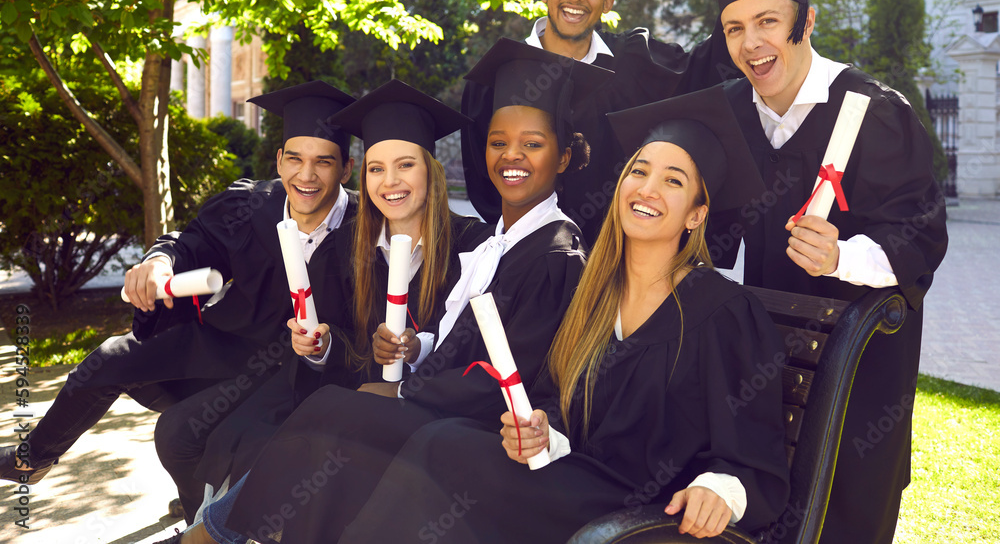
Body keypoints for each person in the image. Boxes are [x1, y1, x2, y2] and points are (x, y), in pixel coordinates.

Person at [334, 86, 791, 543]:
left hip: (643, 515)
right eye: (639, 171)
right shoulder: (593, 295)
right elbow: (558, 404)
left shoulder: (722, 311)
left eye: (673, 181)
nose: (647, 189)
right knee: (445, 442)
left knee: (448, 451)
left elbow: (752, 458)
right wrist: (540, 432)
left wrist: (717, 490)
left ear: (696, 215)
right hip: (575, 482)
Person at [205, 40, 610, 544]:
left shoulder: (554, 253)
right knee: (334, 420)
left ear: (564, 156)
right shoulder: (500, 244)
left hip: (486, 430)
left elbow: (514, 373)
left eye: (532, 144)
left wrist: (407, 388)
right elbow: (462, 341)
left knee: (338, 413)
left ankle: (212, 535)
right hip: (449, 408)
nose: (511, 156)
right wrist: (415, 350)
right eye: (498, 142)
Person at [670, 0, 949, 544]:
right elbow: (714, 238)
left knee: (847, 512)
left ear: (808, 21)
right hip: (766, 359)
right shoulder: (730, 114)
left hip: (861, 371)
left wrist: (843, 256)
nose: (752, 43)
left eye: (768, 21)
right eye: (735, 28)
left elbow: (923, 234)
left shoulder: (873, 112)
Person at [152, 80, 488, 544]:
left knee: (331, 422)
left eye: (405, 165)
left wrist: (417, 350)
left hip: (441, 410)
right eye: (375, 169)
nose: (389, 182)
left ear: (430, 170)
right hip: (363, 399)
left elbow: (476, 347)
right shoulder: (352, 249)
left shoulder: (474, 245)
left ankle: (205, 536)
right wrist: (324, 344)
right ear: (362, 176)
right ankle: (212, 532)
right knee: (320, 422)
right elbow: (346, 349)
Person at [0, 81, 357, 515]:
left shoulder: (363, 231)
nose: (306, 175)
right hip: (225, 344)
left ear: (346, 169)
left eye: (324, 162)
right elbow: (190, 243)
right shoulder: (249, 206)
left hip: (293, 371)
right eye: (296, 159)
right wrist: (159, 262)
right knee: (107, 360)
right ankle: (31, 462)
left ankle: (200, 517)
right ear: (279, 160)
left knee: (180, 435)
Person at [461, 0, 734, 243]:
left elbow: (708, 69)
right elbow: (482, 181)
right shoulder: (498, 74)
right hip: (527, 256)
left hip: (615, 259)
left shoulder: (636, 62)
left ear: (607, 2)